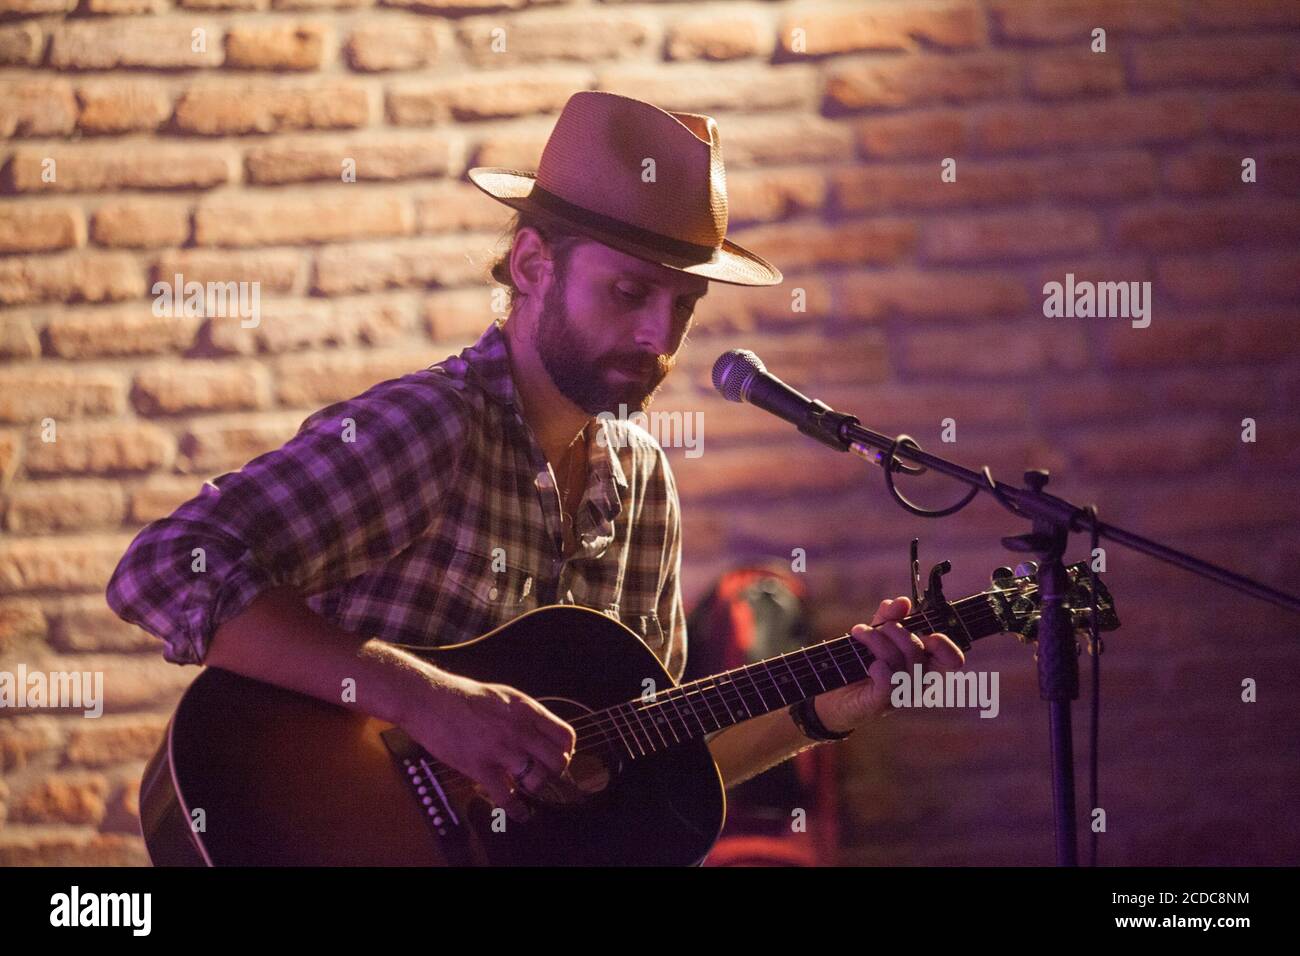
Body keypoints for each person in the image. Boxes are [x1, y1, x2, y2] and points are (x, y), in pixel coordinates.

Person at [107, 90, 964, 831]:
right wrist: (427, 701)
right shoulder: (429, 429)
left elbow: (639, 750)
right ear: (531, 266)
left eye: (683, 306)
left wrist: (820, 711)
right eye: (630, 293)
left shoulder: (643, 486)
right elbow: (163, 570)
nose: (657, 338)